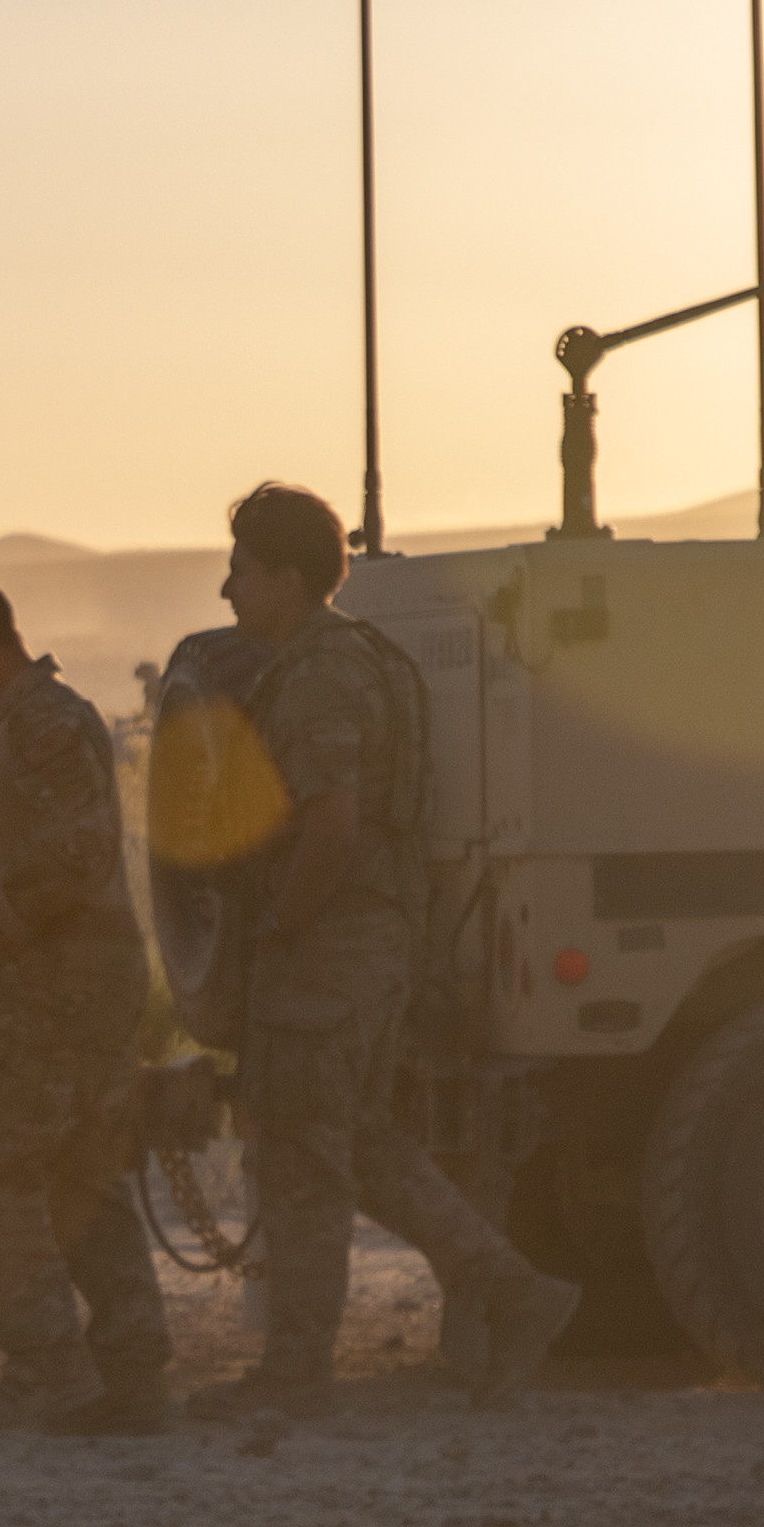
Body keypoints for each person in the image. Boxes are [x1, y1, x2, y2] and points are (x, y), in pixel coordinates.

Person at [197, 482, 578, 1418]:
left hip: (328, 950)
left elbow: (331, 825)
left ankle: (296, 1375)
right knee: (363, 1144)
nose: (226, 590)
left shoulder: (325, 674)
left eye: (241, 570)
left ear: (288, 577)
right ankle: (518, 1293)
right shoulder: (358, 658)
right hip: (363, 946)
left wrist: (281, 925)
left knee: (304, 1160)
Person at [0, 576, 174, 1433]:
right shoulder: (28, 724)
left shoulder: (47, 723)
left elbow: (83, 849)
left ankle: (52, 1369)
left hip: (61, 979)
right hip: (69, 974)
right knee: (77, 1172)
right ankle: (130, 1367)